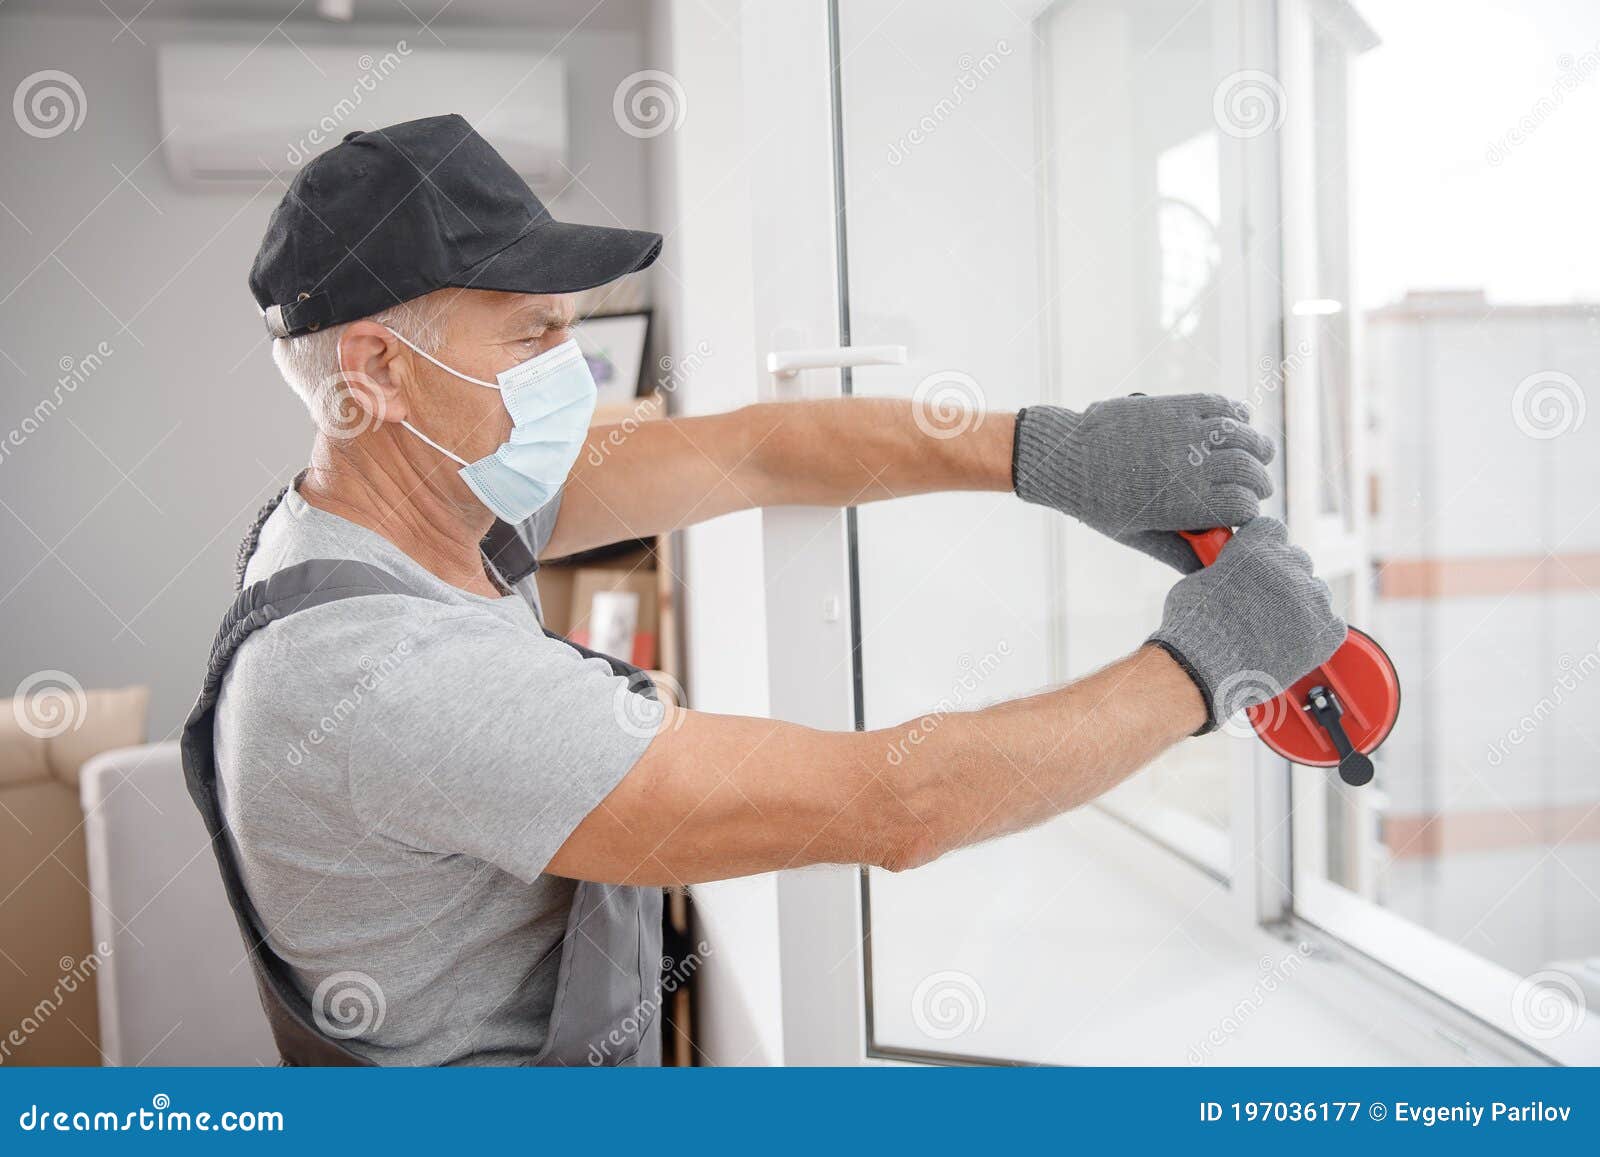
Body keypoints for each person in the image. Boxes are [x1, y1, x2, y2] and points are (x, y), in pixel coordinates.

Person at [197, 114, 1343, 1066]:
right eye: (532, 333)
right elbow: (894, 804)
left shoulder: (392, 505)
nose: (569, 371)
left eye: (571, 331)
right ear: (381, 371)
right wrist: (1203, 663)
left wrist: (1052, 454)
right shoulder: (394, 681)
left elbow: (754, 451)